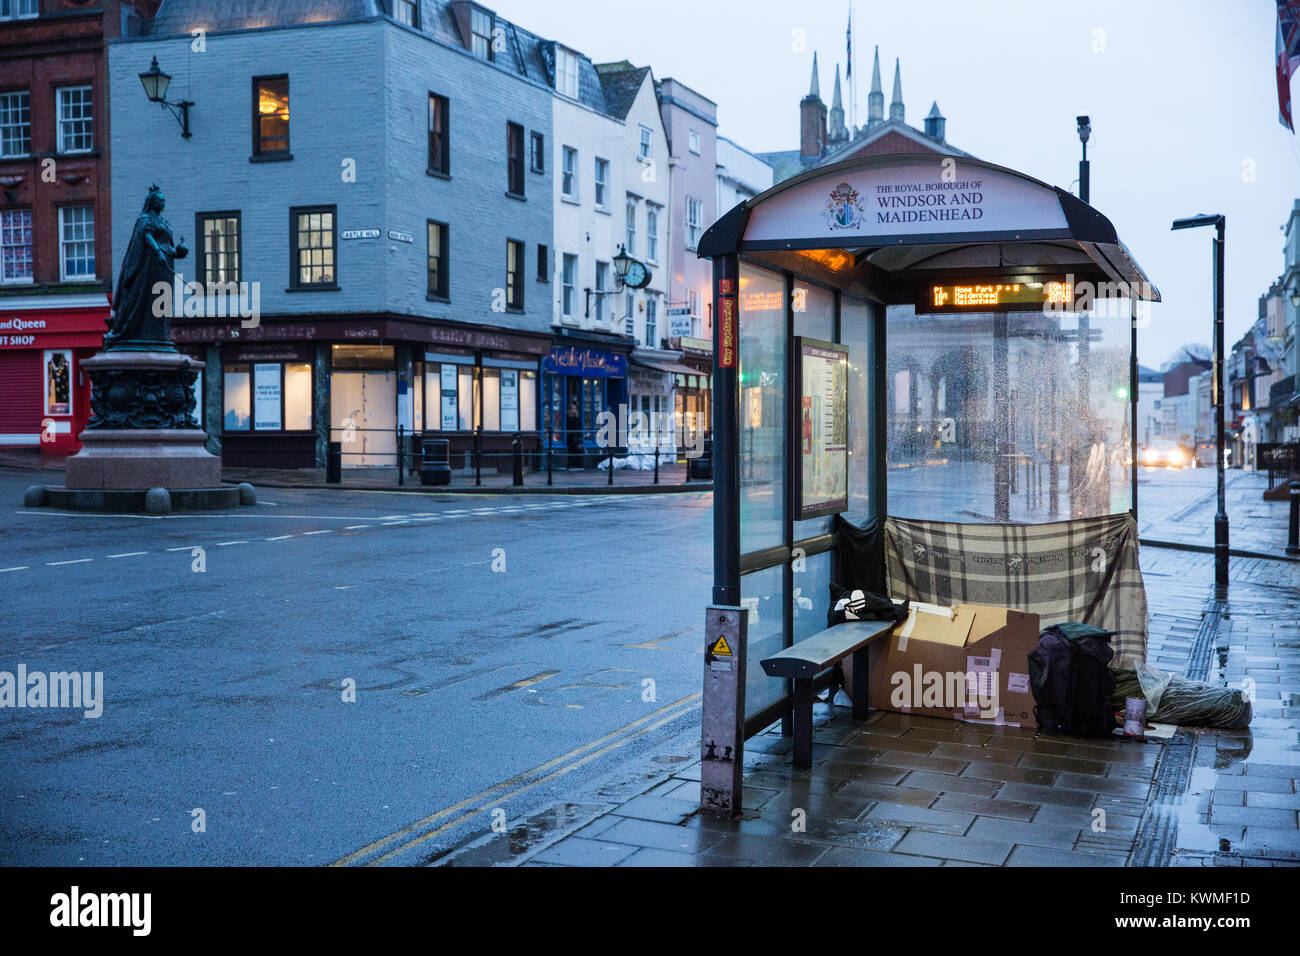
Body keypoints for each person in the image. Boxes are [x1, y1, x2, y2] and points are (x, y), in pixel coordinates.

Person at [566, 399, 582, 469]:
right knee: (571, 450)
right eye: (572, 408)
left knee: (577, 450)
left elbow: (579, 427)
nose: (573, 410)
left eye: (574, 408)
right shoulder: (567, 418)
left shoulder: (577, 418)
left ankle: (577, 464)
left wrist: (580, 437)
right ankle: (571, 465)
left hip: (576, 437)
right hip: (569, 437)